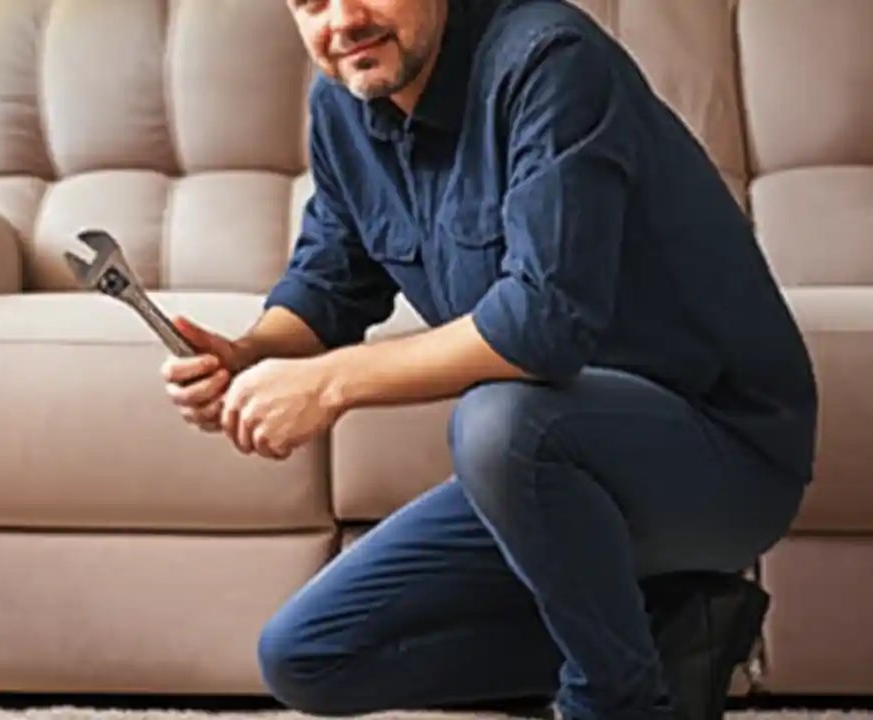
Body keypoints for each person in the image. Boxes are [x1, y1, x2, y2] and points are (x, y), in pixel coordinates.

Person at [159, 0, 817, 718]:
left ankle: (617, 703)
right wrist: (248, 356)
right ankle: (675, 636)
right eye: (311, 2)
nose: (343, 20)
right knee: (308, 656)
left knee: (503, 419)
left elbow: (545, 323)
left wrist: (329, 385)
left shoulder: (549, 59)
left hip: (722, 456)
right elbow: (328, 284)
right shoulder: (346, 100)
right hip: (550, 476)